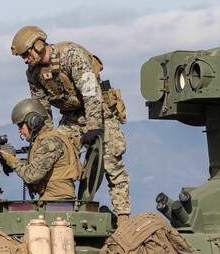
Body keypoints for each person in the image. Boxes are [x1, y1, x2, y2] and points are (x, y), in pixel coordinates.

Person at [11, 25, 131, 217]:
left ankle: (123, 215)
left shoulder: (71, 55)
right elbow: (42, 110)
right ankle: (62, 207)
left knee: (110, 162)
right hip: (71, 117)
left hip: (99, 112)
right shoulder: (33, 73)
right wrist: (42, 141)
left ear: (39, 45)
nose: (25, 60)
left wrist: (94, 127)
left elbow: (91, 92)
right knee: (56, 153)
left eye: (26, 54)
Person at [0, 98, 80, 201]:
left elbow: (32, 175)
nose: (19, 130)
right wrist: (9, 162)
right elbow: (37, 166)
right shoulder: (43, 141)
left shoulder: (50, 142)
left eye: (20, 125)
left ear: (33, 121)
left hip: (58, 202)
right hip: (51, 200)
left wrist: (11, 160)